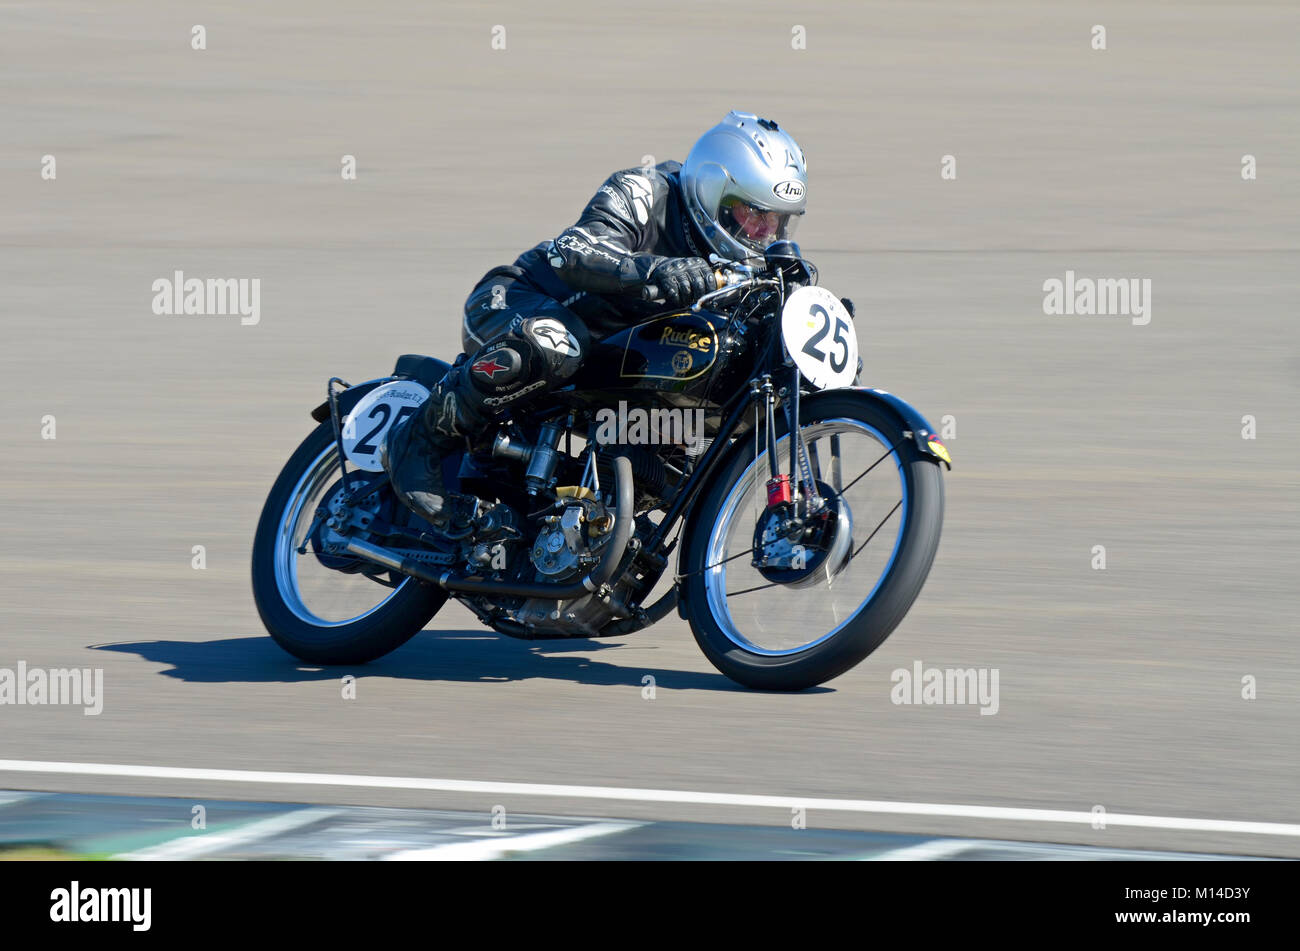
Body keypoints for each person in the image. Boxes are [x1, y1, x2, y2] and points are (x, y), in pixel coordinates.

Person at [381, 110, 808, 530]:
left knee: (690, 425)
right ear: (714, 191)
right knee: (556, 343)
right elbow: (572, 249)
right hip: (518, 301)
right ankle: (415, 443)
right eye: (753, 213)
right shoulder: (646, 190)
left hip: (601, 362)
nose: (763, 232)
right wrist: (657, 270)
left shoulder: (747, 270)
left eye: (776, 220)